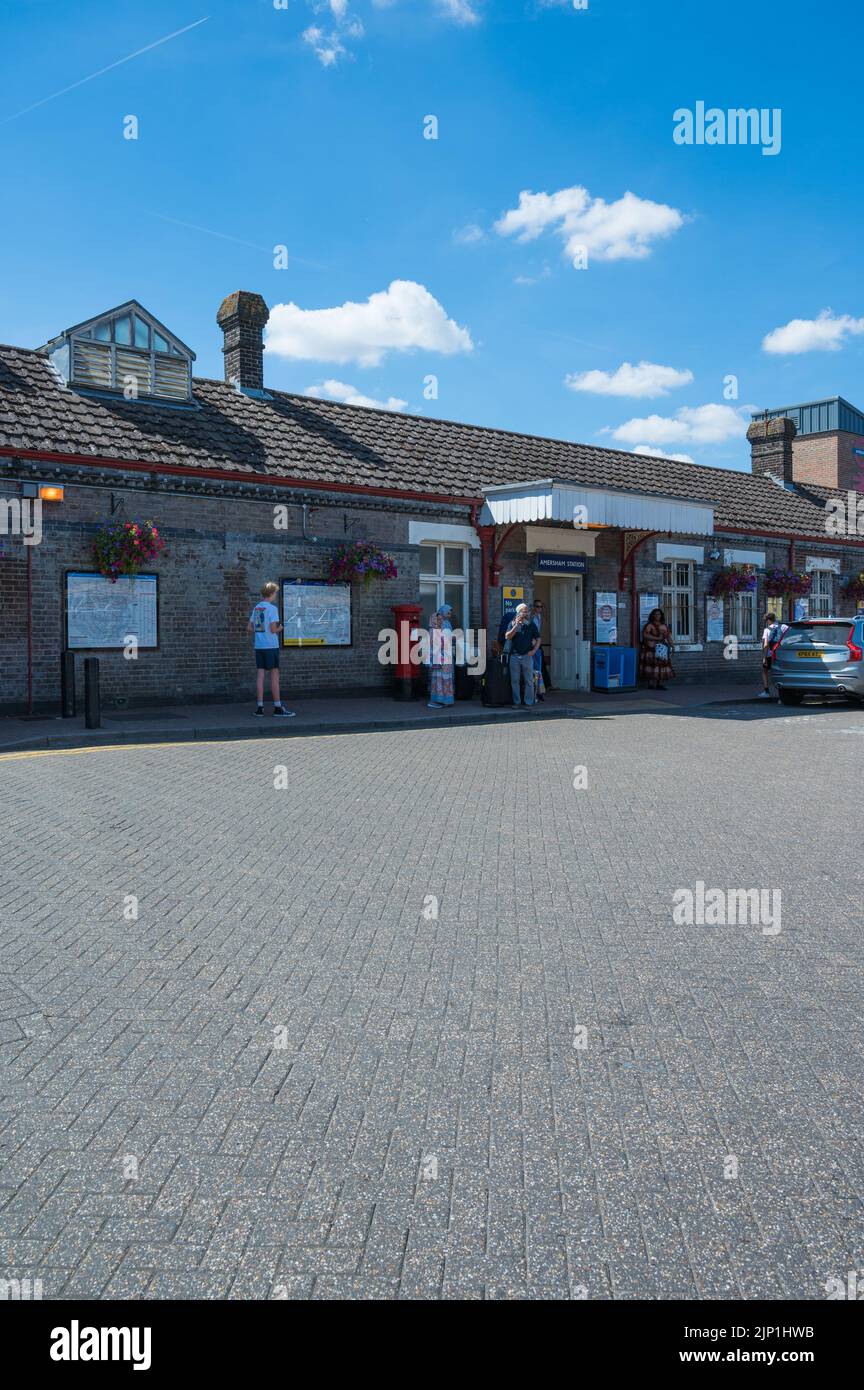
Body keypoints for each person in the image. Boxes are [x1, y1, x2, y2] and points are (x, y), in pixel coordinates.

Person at [248, 582, 295, 717]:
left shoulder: (257, 608)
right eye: (275, 593)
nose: (275, 595)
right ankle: (278, 707)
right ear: (272, 593)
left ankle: (260, 707)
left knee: (260, 677)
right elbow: (274, 629)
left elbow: (249, 627)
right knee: (274, 677)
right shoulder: (272, 609)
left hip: (259, 646)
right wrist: (281, 628)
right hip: (271, 647)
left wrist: (260, 632)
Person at [506, 603, 541, 707]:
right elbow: (507, 637)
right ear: (518, 612)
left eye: (527, 611)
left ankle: (528, 702)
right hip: (514, 656)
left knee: (529, 680)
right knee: (515, 680)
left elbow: (538, 639)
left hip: (527, 655)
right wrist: (516, 626)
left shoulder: (530, 624)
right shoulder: (512, 623)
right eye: (524, 611)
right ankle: (516, 702)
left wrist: (534, 651)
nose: (526, 613)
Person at [639, 608, 675, 690]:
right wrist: (657, 638)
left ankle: (659, 684)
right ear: (652, 616)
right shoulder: (649, 625)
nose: (657, 616)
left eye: (659, 614)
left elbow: (668, 637)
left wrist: (672, 646)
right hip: (650, 649)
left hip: (661, 650)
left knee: (661, 666)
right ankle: (650, 684)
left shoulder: (664, 625)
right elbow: (645, 635)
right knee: (651, 666)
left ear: (661, 615)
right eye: (655, 614)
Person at [428, 604, 455, 707]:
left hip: (446, 656)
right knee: (440, 678)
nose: (449, 615)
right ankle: (437, 700)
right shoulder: (435, 628)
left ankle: (446, 700)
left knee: (446, 678)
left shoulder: (447, 623)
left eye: (450, 613)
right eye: (448, 613)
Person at [759, 611, 785, 698]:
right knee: (781, 674)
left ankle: (766, 692)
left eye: (766, 620)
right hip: (781, 655)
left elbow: (766, 645)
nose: (766, 622)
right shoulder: (783, 627)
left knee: (764, 671)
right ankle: (782, 696)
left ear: (769, 620)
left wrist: (764, 658)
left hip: (771, 655)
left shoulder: (767, 630)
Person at [531, 598, 547, 701]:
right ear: (534, 607)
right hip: (533, 645)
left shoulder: (540, 617)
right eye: (537, 606)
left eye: (540, 607)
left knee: (538, 670)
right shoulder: (533, 618)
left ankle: (539, 691)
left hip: (538, 644)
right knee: (535, 670)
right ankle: (536, 693)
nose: (539, 608)